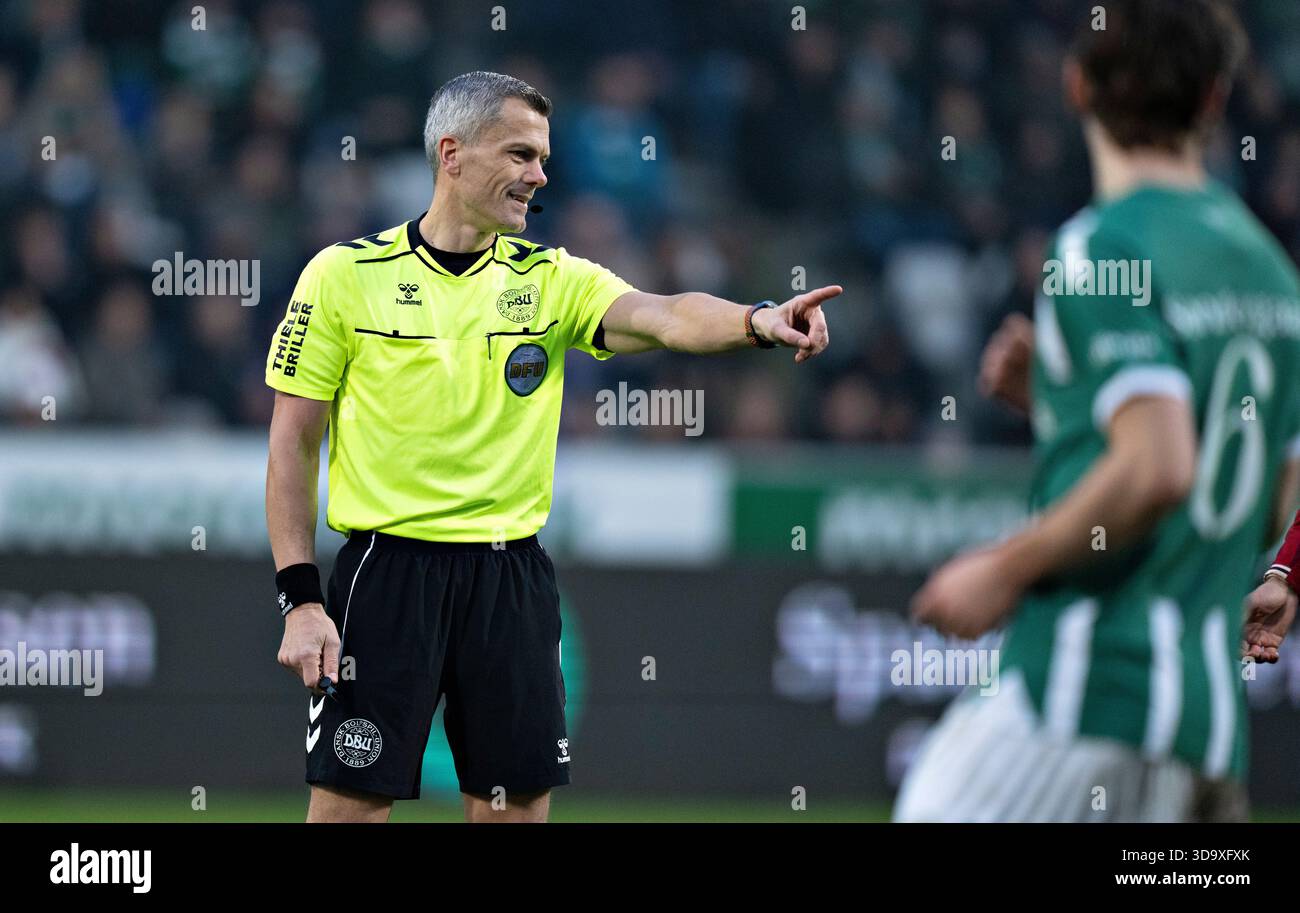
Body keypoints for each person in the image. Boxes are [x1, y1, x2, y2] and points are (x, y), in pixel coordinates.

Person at [264, 71, 839, 823]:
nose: (540, 174)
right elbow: (293, 445)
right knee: (349, 809)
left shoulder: (550, 279)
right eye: (521, 154)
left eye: (542, 157)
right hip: (385, 575)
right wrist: (301, 600)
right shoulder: (344, 277)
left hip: (511, 578)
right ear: (452, 154)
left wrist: (757, 319)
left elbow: (662, 315)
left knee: (514, 810)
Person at [894, 0, 1300, 822]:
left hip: (1085, 693)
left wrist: (1001, 569)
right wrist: (1061, 397)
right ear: (1217, 99)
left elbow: (1159, 465)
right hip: (1204, 726)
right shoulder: (1271, 275)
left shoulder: (1098, 247)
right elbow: (1267, 491)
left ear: (1076, 88)